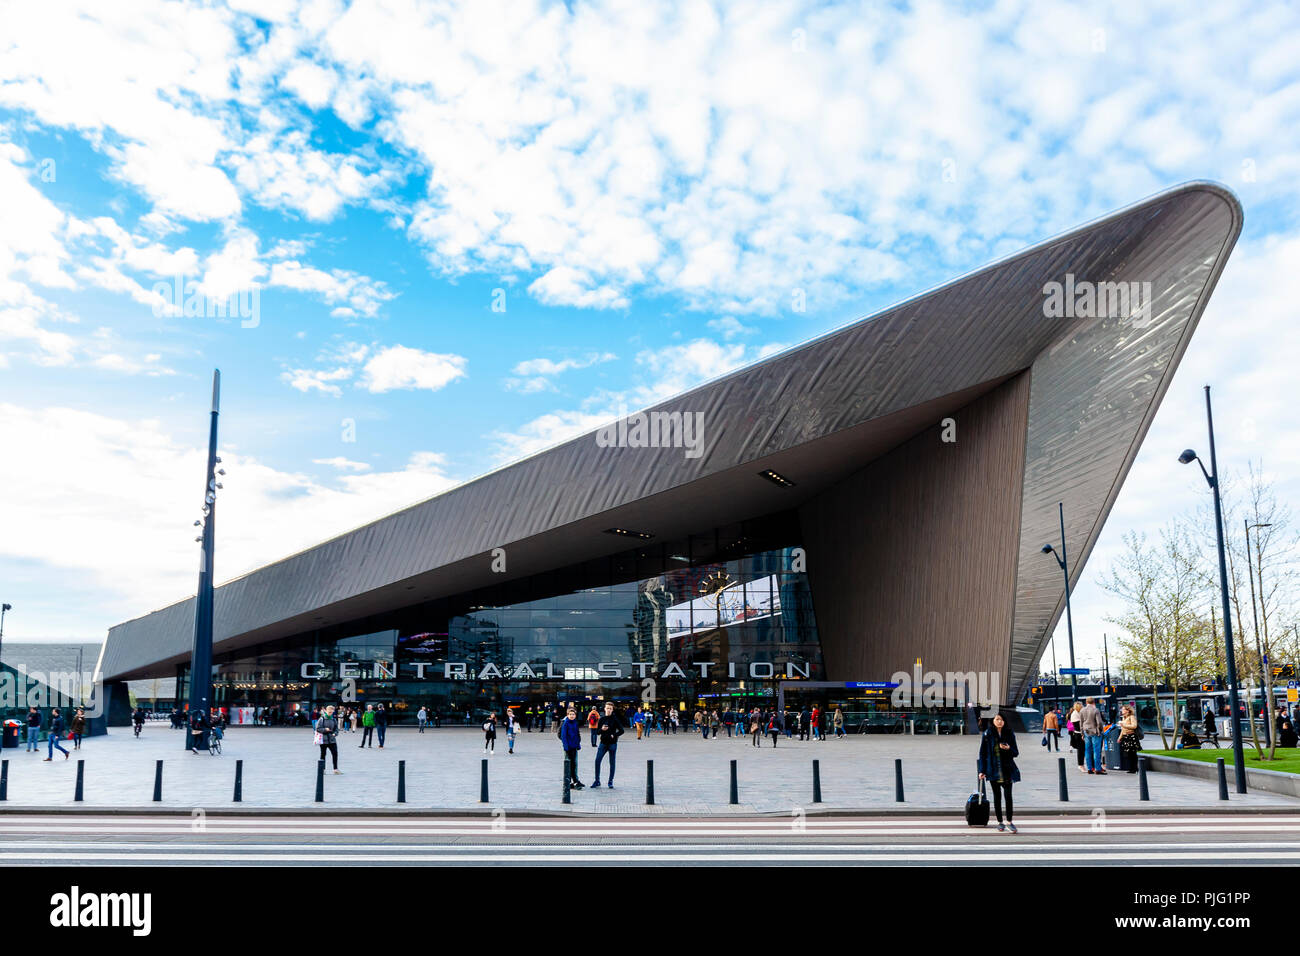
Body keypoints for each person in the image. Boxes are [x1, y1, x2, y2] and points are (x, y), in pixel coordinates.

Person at [977, 712, 1020, 833]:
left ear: (1004, 721)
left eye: (1001, 719)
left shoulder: (1009, 733)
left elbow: (1016, 752)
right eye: (997, 719)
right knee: (997, 797)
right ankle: (1000, 822)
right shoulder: (987, 734)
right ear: (993, 721)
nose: (999, 721)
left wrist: (1008, 749)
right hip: (993, 769)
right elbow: (982, 754)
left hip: (1007, 770)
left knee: (1008, 796)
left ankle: (1010, 822)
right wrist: (982, 770)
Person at [592, 701, 624, 788]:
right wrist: (602, 729)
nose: (609, 710)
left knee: (612, 763)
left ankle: (610, 781)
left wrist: (615, 735)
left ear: (612, 709)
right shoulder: (601, 719)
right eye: (607, 708)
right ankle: (597, 780)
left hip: (612, 744)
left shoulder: (615, 719)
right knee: (597, 761)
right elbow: (597, 732)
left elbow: (622, 730)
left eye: (610, 708)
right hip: (603, 743)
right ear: (605, 709)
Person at [1079, 697, 1106, 774]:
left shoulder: (1082, 710)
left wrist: (1082, 733)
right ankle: (1097, 769)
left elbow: (1081, 723)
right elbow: (1099, 722)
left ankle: (1089, 768)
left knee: (1087, 751)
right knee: (1096, 751)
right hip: (1095, 732)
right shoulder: (1095, 710)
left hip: (1086, 732)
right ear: (1093, 702)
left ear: (1086, 702)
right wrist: (1100, 730)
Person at [560, 707, 583, 789]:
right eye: (570, 714)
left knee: (574, 765)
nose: (572, 716)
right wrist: (566, 747)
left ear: (575, 716)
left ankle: (575, 781)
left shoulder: (575, 723)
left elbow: (577, 735)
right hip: (568, 748)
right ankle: (571, 782)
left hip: (574, 747)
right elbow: (563, 736)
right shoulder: (565, 723)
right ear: (567, 715)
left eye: (573, 714)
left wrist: (578, 745)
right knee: (570, 766)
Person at [315, 704, 341, 773]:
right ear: (326, 711)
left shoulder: (333, 719)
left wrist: (335, 734)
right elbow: (318, 729)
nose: (330, 713)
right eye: (329, 712)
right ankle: (323, 769)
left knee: (335, 753)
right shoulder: (322, 719)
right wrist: (325, 729)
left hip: (332, 739)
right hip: (324, 740)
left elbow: (336, 729)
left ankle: (335, 769)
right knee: (323, 754)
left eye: (332, 712)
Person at [1117, 705, 1141, 772]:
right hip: (1125, 737)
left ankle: (1135, 768)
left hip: (1131, 736)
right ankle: (1131, 768)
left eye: (1123, 709)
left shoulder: (1131, 717)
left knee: (1133, 753)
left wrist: (1123, 725)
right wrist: (1120, 737)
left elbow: (1134, 726)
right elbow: (1123, 729)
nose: (1122, 711)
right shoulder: (1124, 718)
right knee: (1128, 754)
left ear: (1128, 710)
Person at [1066, 700, 1086, 771]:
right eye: (1082, 706)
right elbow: (1077, 726)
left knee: (1083, 750)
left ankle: (1082, 764)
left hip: (1080, 734)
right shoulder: (1075, 714)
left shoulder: (1079, 713)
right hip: (1078, 734)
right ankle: (1080, 765)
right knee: (1081, 750)